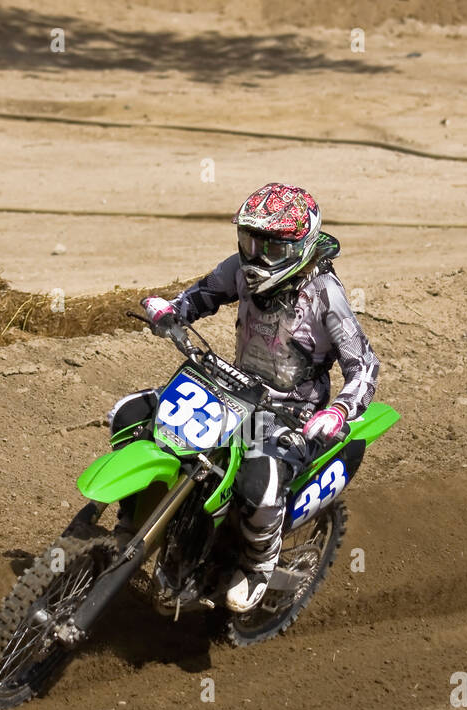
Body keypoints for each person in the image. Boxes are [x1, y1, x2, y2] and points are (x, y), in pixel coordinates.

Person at [109, 182, 380, 613]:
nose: (256, 256)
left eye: (270, 248)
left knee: (259, 481)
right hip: (232, 387)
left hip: (292, 412)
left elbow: (364, 365)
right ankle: (130, 521)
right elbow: (204, 294)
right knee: (132, 415)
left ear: (299, 247)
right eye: (249, 241)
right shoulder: (240, 267)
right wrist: (172, 311)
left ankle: (259, 564)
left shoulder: (324, 294)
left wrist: (339, 411)